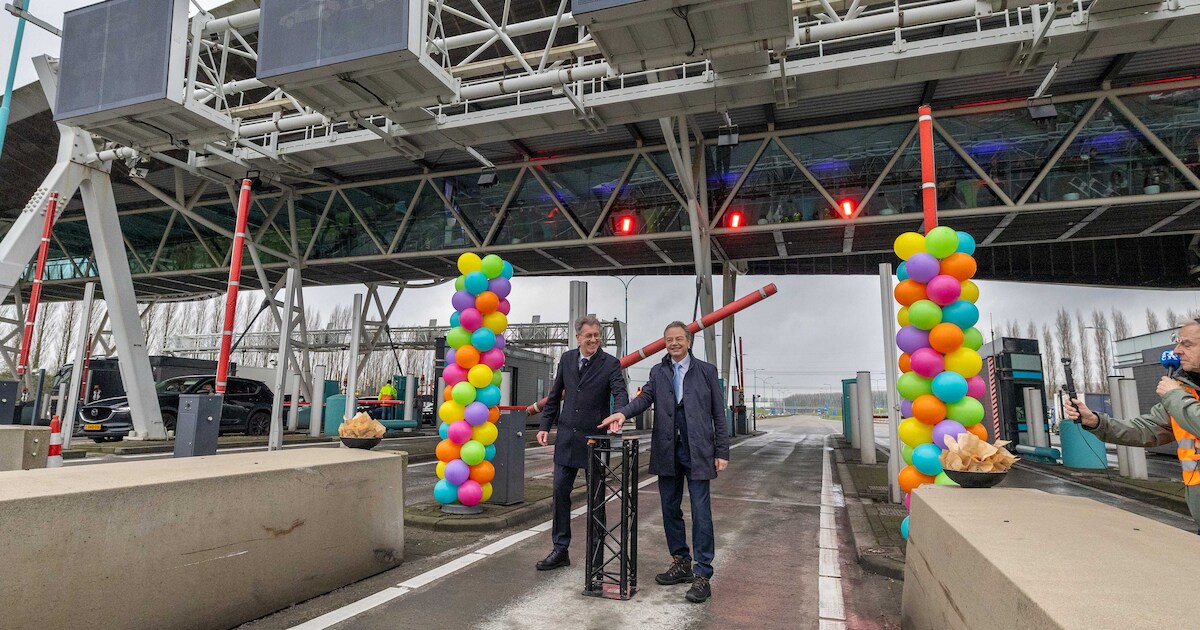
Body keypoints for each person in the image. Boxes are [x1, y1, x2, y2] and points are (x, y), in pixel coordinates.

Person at [599, 321, 731, 603]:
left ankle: (702, 574)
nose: (674, 343)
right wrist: (622, 414)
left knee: (700, 511)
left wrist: (722, 451)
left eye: (679, 339)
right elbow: (644, 398)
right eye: (669, 339)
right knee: (670, 509)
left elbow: (719, 414)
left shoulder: (706, 371)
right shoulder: (658, 371)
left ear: (689, 341)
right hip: (667, 449)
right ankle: (681, 561)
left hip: (698, 451)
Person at [1065, 318, 1200, 531]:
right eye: (1177, 342)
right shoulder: (1184, 390)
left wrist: (1174, 396)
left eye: (1187, 344)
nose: (1176, 351)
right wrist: (1096, 421)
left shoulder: (1177, 394)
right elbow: (1146, 430)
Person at [533, 316, 628, 571]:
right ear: (578, 337)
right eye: (589, 336)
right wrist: (544, 426)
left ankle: (597, 554)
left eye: (598, 335)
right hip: (566, 439)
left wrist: (619, 413)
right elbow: (554, 396)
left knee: (596, 498)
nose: (594, 340)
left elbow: (620, 392)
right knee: (560, 494)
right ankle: (560, 549)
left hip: (594, 440)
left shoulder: (610, 364)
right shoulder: (566, 360)